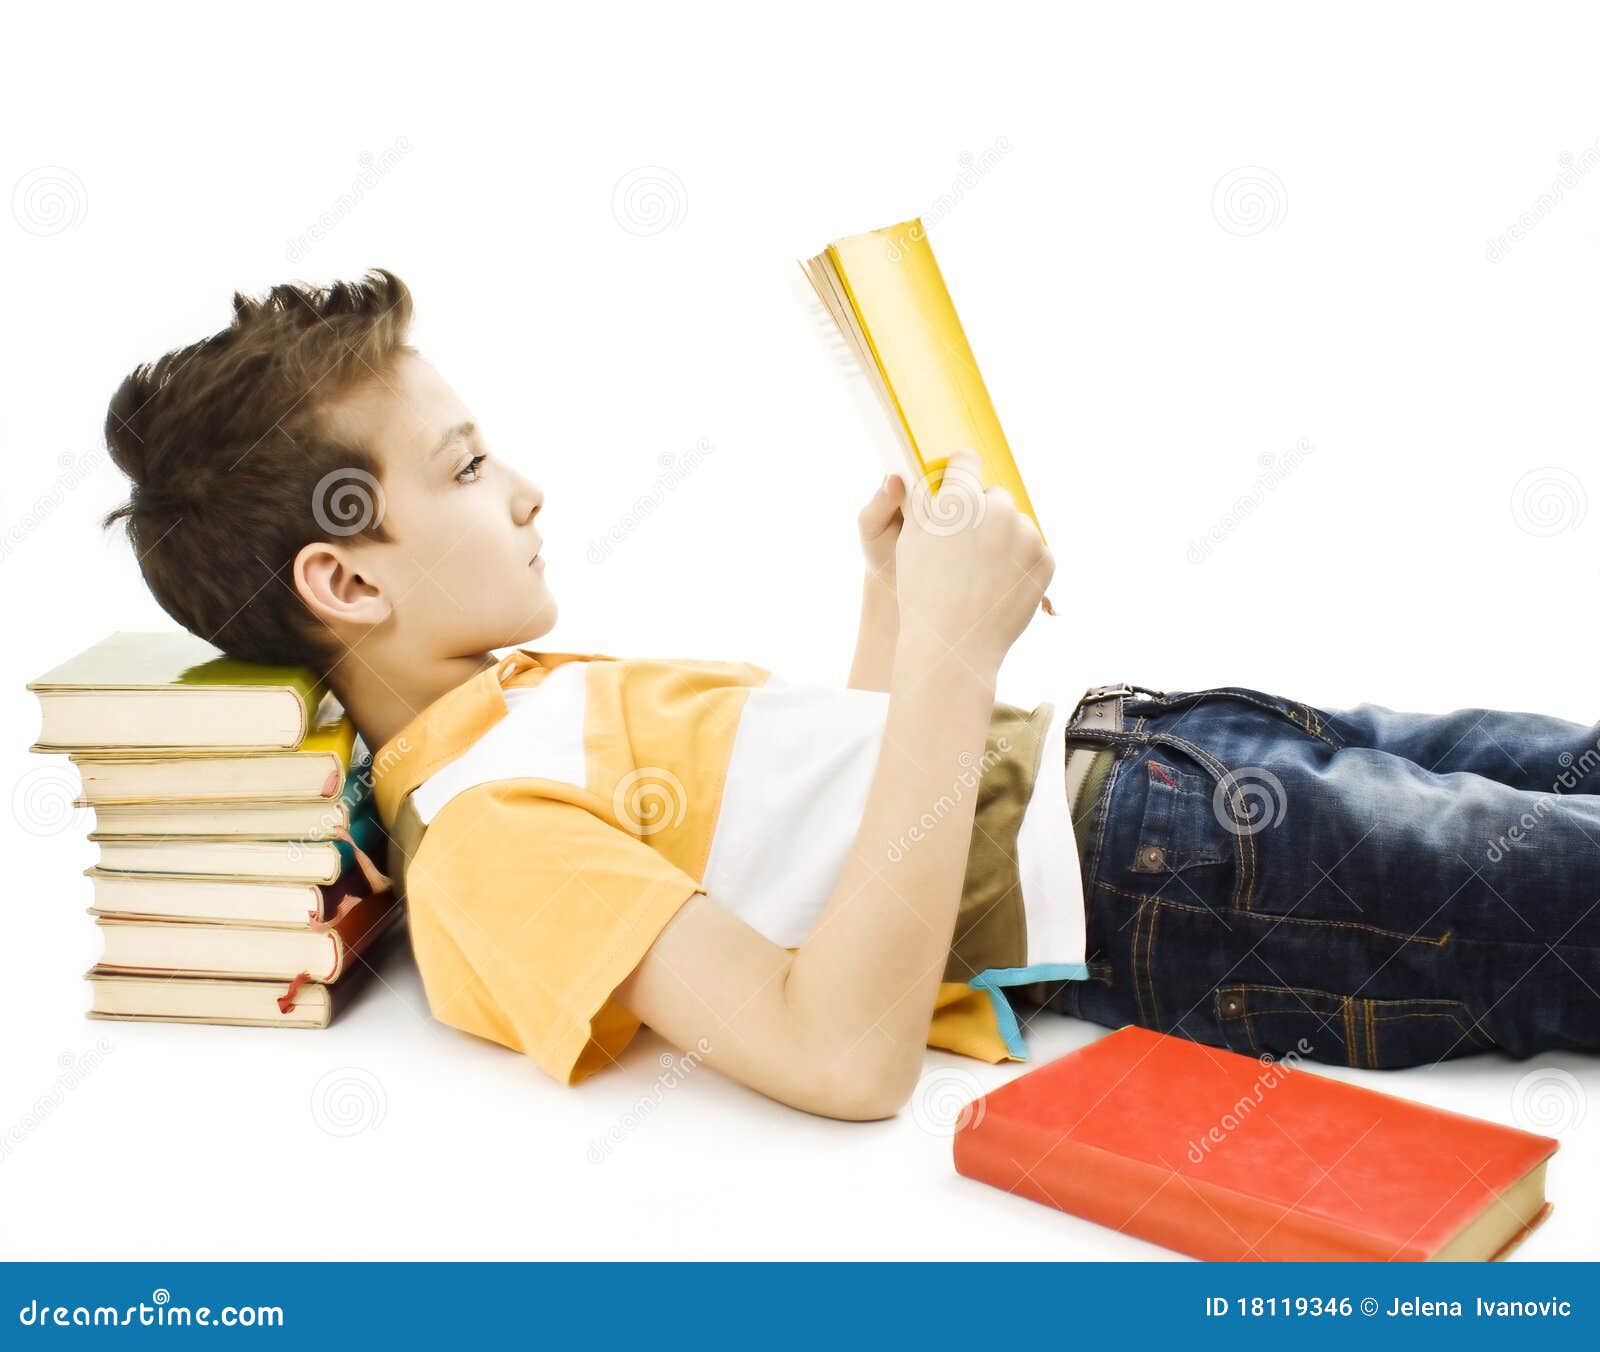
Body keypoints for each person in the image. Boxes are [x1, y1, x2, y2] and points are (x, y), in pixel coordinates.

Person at [101, 270, 1600, 1120]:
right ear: (346, 580)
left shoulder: (517, 703)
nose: (527, 488)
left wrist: (893, 606)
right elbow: (839, 1047)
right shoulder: (486, 839)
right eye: (468, 468)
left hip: (1162, 761)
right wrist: (952, 651)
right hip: (1176, 874)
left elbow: (843, 845)